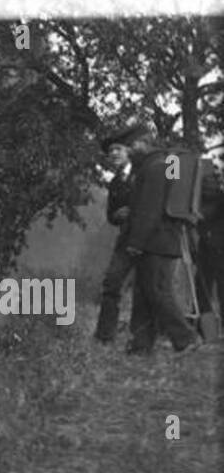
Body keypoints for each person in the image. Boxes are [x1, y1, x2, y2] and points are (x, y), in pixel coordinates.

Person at [124, 125, 203, 355]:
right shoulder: (157, 165)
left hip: (157, 241)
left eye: (131, 145)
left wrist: (136, 242)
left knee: (158, 291)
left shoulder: (155, 167)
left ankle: (186, 338)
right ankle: (141, 345)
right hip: (158, 240)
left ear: (142, 142)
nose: (129, 150)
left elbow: (149, 208)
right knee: (143, 292)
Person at [94, 124, 138, 344]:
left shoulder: (143, 175)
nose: (113, 154)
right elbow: (110, 216)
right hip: (125, 238)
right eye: (110, 151)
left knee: (151, 287)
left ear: (129, 150)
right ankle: (104, 336)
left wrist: (134, 210)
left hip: (147, 239)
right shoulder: (114, 183)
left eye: (117, 149)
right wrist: (118, 215)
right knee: (111, 283)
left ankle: (147, 335)